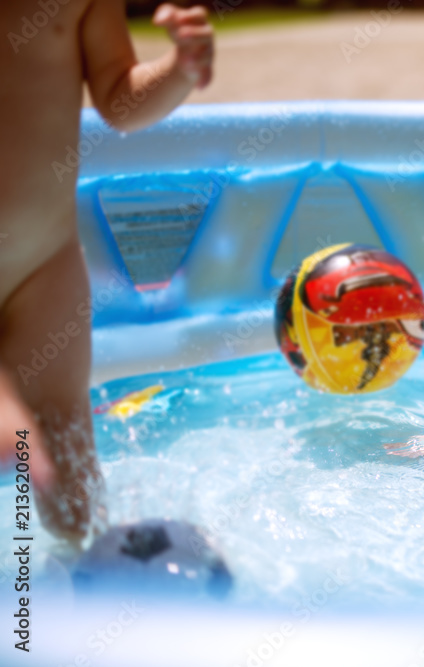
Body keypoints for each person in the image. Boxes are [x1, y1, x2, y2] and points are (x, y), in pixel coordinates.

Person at [0, 0, 213, 542]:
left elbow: (118, 96)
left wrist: (177, 70)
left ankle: (78, 590)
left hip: (42, 262)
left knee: (65, 445)